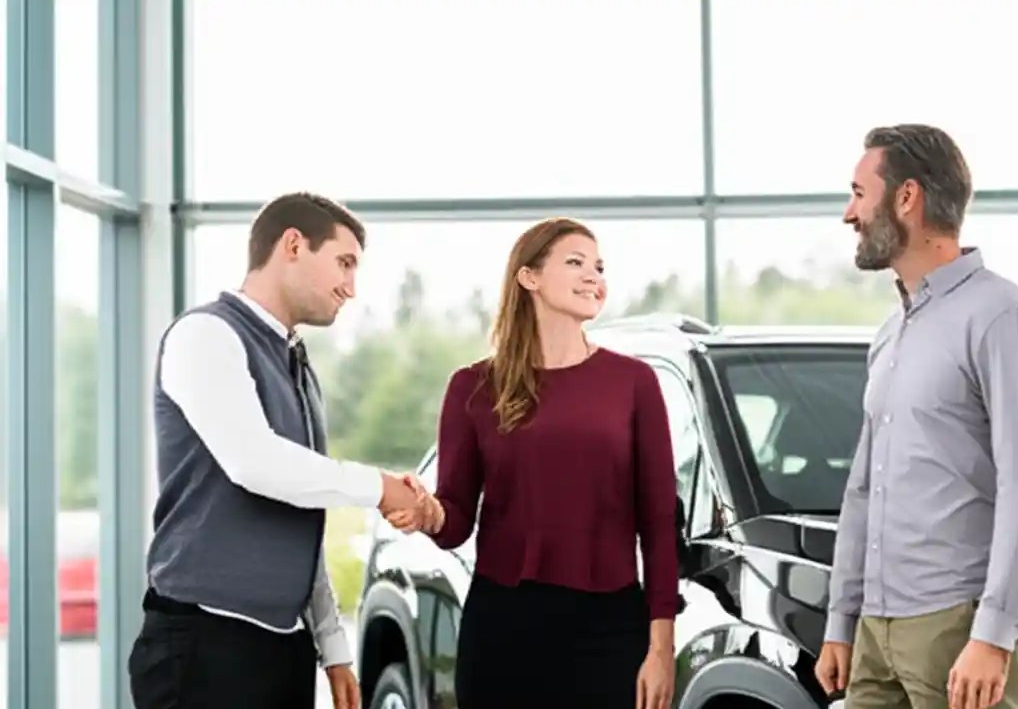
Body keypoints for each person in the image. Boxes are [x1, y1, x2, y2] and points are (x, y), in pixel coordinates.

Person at [128, 191, 438, 709]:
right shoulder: (205, 334)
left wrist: (332, 646)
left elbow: (299, 504)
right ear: (293, 245)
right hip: (206, 646)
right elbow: (257, 464)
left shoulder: (295, 362)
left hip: (280, 649)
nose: (351, 288)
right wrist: (379, 488)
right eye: (344, 263)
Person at [814, 125, 1018, 709]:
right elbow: (863, 489)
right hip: (877, 627)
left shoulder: (1003, 316)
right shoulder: (891, 332)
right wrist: (842, 617)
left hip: (960, 627)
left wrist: (994, 637)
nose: (848, 214)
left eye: (858, 192)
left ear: (907, 197)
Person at [396, 217, 679, 708]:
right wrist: (428, 513)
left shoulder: (634, 383)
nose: (595, 276)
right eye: (576, 263)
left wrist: (661, 649)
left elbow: (658, 524)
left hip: (610, 627)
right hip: (504, 626)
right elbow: (457, 517)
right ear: (529, 277)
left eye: (600, 267)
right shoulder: (474, 387)